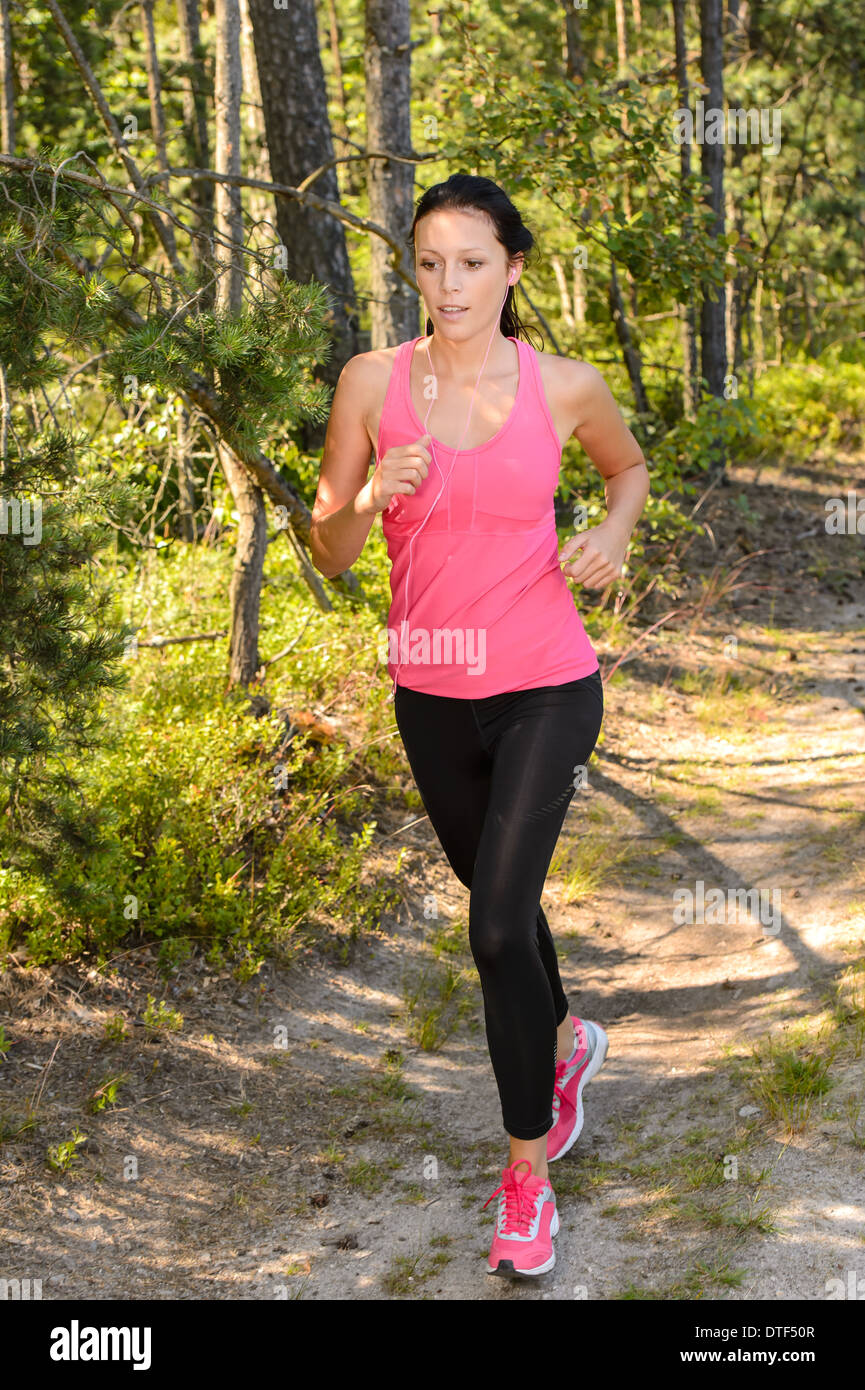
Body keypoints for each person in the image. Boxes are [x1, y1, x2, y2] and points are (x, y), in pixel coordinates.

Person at [310, 173, 650, 1280]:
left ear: (511, 269)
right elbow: (329, 550)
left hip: (549, 682)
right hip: (430, 696)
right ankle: (564, 1041)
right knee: (499, 907)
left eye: (470, 262)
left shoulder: (564, 385)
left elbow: (627, 469)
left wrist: (612, 531)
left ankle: (524, 1178)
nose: (447, 284)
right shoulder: (372, 385)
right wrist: (368, 499)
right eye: (428, 262)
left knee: (497, 926)